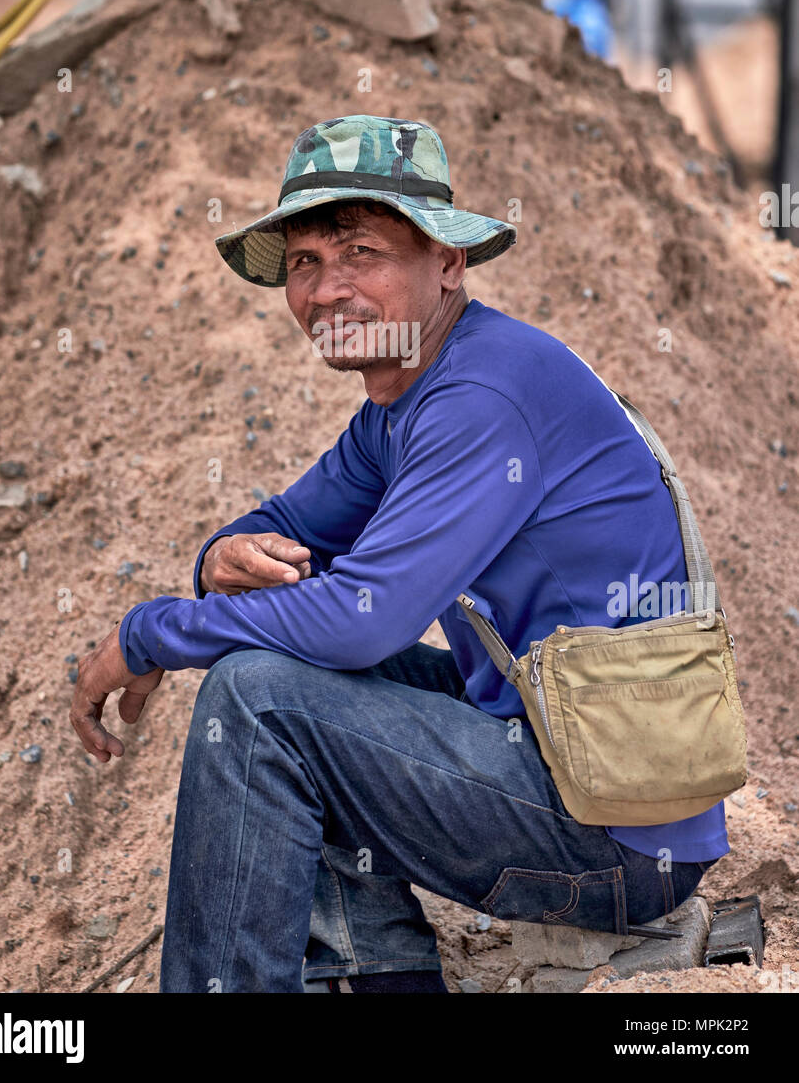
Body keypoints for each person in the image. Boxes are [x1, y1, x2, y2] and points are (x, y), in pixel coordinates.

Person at [70, 114, 727, 994]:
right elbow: (284, 524)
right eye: (304, 262)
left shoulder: (483, 396)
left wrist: (153, 633)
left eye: (361, 253)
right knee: (278, 671)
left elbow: (355, 623)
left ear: (447, 264)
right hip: (565, 750)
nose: (326, 289)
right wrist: (220, 557)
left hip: (618, 831)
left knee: (262, 699)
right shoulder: (403, 400)